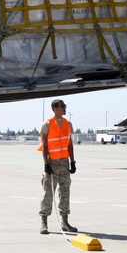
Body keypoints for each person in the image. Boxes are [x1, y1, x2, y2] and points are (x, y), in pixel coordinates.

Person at [39, 98, 77, 234]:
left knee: (65, 192)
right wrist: (46, 164)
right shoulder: (47, 124)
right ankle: (44, 223)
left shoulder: (68, 124)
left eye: (64, 105)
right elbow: (45, 145)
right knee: (48, 192)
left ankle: (65, 222)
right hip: (52, 163)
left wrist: (72, 162)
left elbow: (69, 144)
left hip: (64, 162)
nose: (65, 108)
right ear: (55, 109)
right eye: (62, 106)